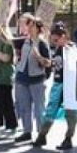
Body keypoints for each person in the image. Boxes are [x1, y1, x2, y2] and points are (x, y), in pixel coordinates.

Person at [33, 22, 77, 150]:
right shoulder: (57, 49)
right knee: (50, 110)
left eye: (57, 37)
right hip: (58, 83)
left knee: (71, 113)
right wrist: (40, 58)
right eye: (53, 37)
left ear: (64, 36)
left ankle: (68, 138)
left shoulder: (71, 47)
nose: (55, 40)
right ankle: (42, 135)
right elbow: (52, 64)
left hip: (70, 85)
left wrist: (67, 47)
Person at [13, 14, 51, 144]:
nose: (29, 27)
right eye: (29, 25)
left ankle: (41, 135)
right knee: (24, 107)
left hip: (36, 80)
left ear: (38, 28)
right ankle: (26, 131)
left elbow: (48, 63)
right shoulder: (26, 41)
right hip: (22, 78)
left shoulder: (42, 43)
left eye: (32, 25)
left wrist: (39, 57)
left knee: (39, 109)